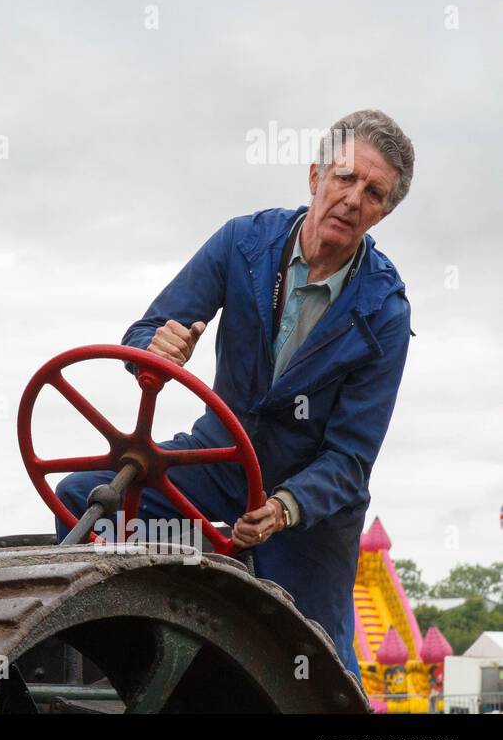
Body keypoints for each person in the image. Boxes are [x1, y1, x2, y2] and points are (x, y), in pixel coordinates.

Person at [55, 109, 414, 679]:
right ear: (315, 175)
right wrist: (160, 346)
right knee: (84, 500)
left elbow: (349, 460)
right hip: (217, 463)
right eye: (345, 177)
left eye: (373, 193)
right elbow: (144, 334)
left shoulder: (385, 313)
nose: (352, 199)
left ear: (385, 212)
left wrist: (283, 508)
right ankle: (143, 668)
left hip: (308, 513)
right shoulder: (243, 244)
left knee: (315, 664)